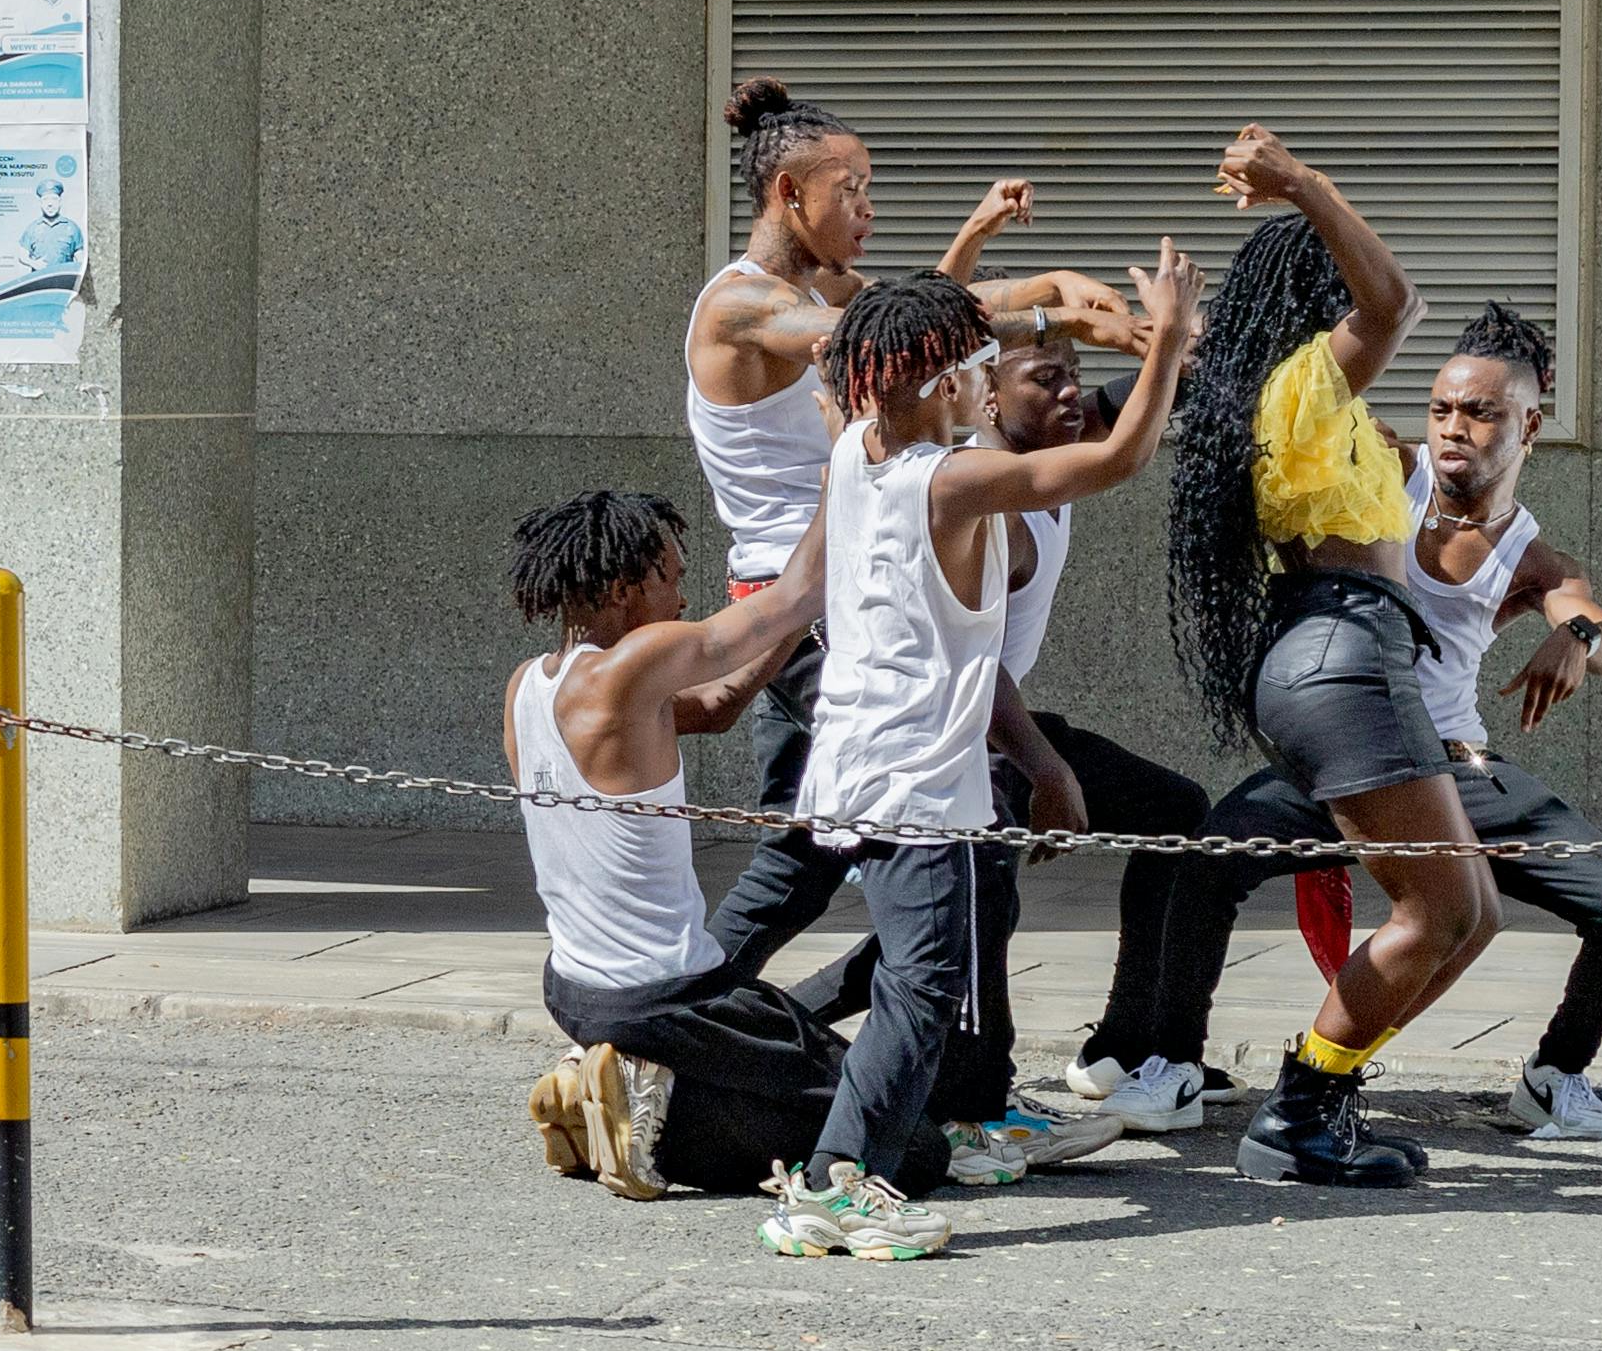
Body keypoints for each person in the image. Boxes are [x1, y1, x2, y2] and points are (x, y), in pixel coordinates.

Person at [1117, 296, 1602, 1148]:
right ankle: (1175, 1067)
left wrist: (1576, 634)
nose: (1454, 429)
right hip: (1343, 750)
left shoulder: (1532, 556)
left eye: (1482, 413)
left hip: (1449, 765)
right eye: (1442, 409)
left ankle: (1552, 1077)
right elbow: (1314, 391)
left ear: (1530, 424)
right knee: (1209, 858)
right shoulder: (1384, 469)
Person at [765, 244, 1202, 1261]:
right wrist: (1167, 342)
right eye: (968, 365)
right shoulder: (952, 480)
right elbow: (1115, 460)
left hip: (857, 762)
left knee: (914, 977)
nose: (980, 376)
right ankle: (842, 1182)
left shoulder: (854, 451)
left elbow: (805, 578)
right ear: (937, 382)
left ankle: (858, 1163)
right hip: (923, 781)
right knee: (922, 988)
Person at [684, 78, 1142, 985]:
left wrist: (1052, 280)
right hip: (800, 608)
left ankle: (710, 1018)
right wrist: (1054, 314)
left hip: (840, 594)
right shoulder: (739, 308)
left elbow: (919, 312)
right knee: (861, 847)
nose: (867, 207)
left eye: (867, 185)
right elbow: (883, 336)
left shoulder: (814, 284)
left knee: (838, 845)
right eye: (848, 188)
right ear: (788, 194)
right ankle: (680, 1013)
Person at [1143, 128, 1480, 1190]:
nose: (1351, 292)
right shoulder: (1304, 375)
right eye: (1330, 273)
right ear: (1309, 294)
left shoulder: (1288, 397)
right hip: (1341, 649)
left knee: (1467, 913)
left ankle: (1322, 1097)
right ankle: (1297, 1114)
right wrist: (1304, 184)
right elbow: (1394, 303)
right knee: (1438, 910)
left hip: (1342, 644)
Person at [505, 491, 835, 1199]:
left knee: (784, 1073)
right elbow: (799, 587)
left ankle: (595, 1076)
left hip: (576, 988)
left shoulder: (529, 686)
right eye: (672, 577)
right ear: (623, 588)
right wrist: (845, 462)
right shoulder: (635, 661)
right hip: (668, 994)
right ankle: (638, 1094)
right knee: (877, 1127)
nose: (684, 596)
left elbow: (716, 707)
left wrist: (796, 627)